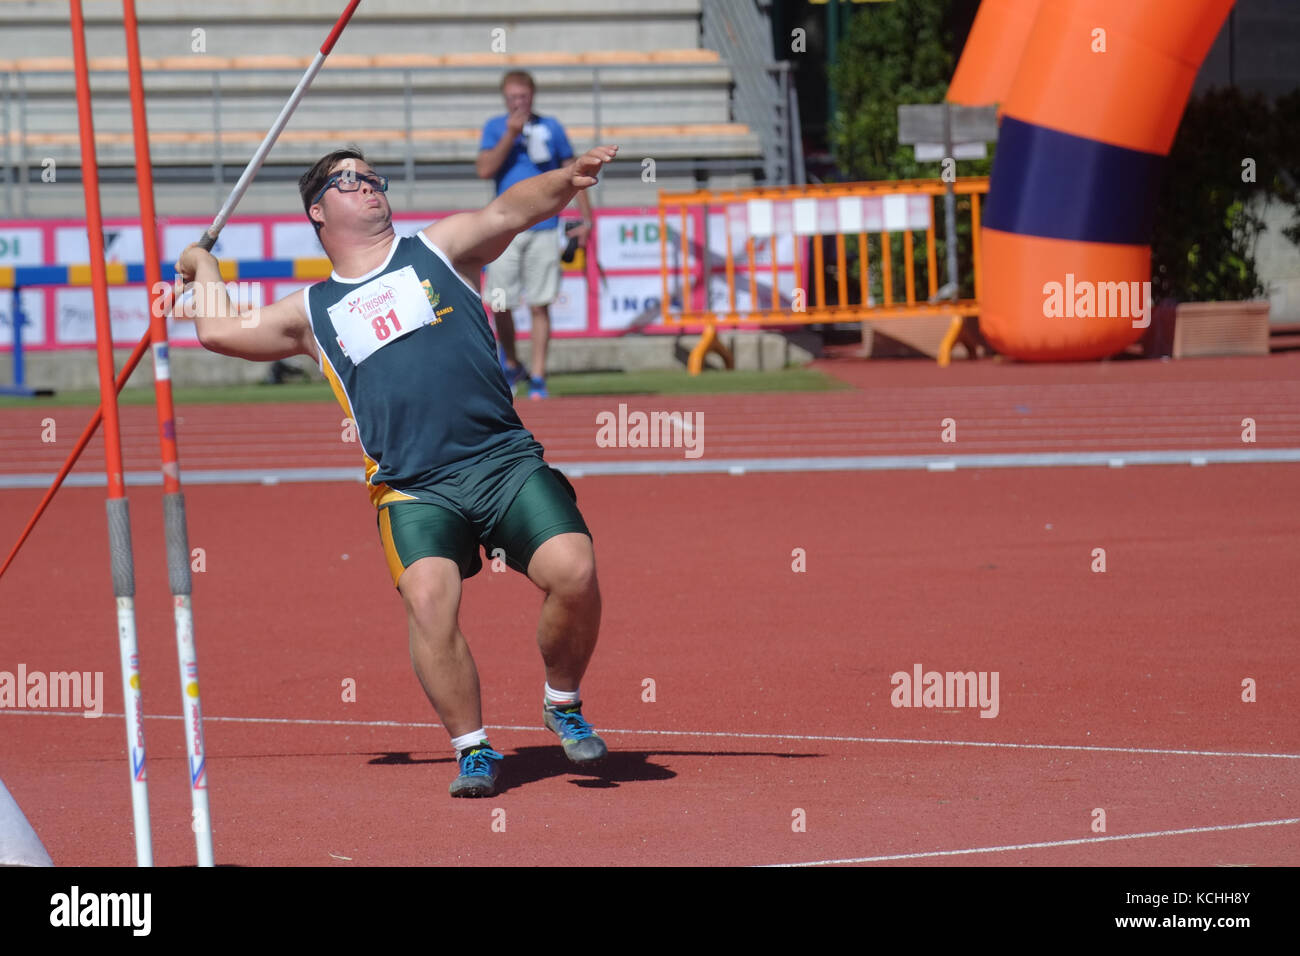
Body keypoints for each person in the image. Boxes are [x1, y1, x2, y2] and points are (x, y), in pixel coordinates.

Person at [174, 143, 619, 798]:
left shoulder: (437, 249)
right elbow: (216, 330)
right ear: (318, 211)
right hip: (413, 488)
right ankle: (473, 750)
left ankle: (562, 702)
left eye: (371, 176)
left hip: (501, 460)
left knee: (574, 571)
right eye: (347, 180)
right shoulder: (311, 310)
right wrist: (203, 263)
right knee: (431, 600)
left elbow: (507, 212)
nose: (367, 185)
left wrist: (564, 179)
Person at [476, 70, 592, 400]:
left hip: (544, 226)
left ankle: (539, 375)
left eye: (523, 97)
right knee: (500, 303)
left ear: (532, 96)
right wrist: (510, 136)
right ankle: (512, 362)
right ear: (504, 99)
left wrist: (586, 218)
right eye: (512, 97)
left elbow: (576, 172)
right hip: (505, 228)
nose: (518, 103)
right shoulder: (495, 127)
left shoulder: (551, 127)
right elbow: (485, 169)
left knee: (541, 303)